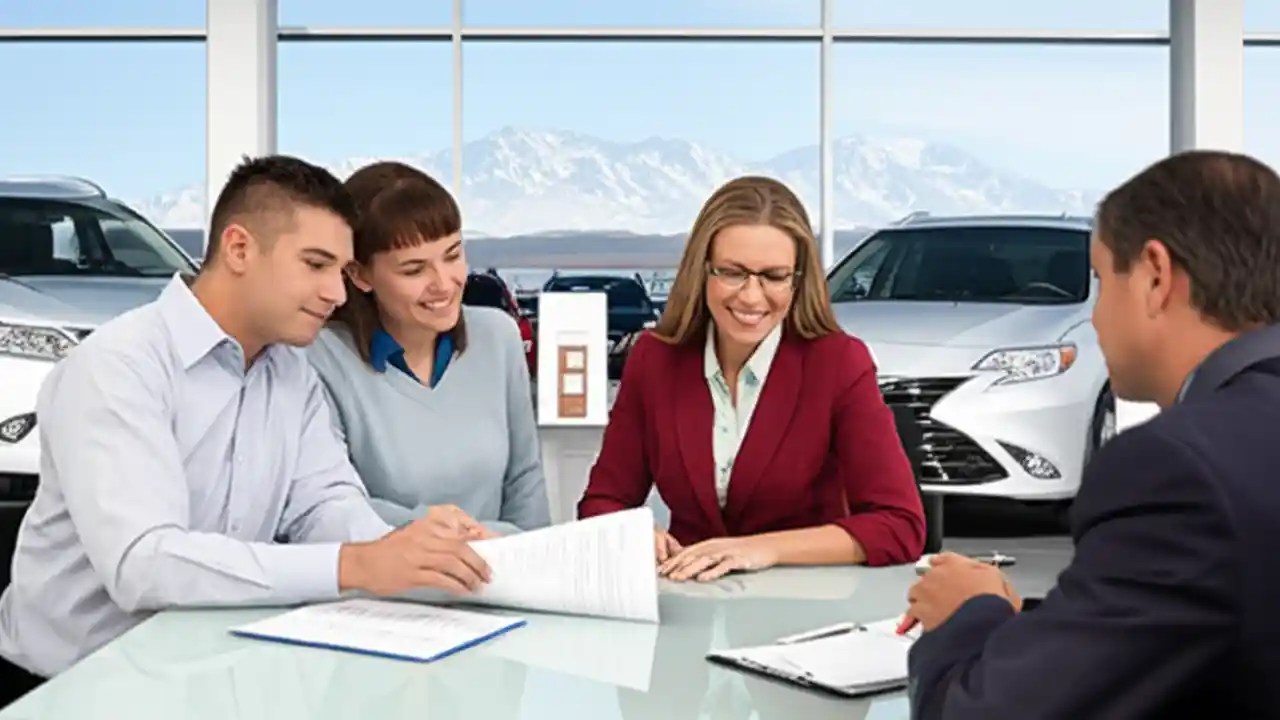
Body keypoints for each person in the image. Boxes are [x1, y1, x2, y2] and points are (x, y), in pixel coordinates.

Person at [0, 156, 491, 703]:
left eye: (342, 270)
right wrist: (358, 564)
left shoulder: (291, 373)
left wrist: (411, 552)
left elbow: (322, 504)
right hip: (74, 688)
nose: (337, 293)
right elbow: (143, 565)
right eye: (316, 264)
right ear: (239, 249)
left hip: (213, 678)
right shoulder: (117, 366)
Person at [903, 150, 1280, 718]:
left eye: (1101, 280)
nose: (1098, 317)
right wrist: (1044, 626)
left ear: (1155, 276)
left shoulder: (1177, 468)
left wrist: (968, 615)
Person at [577, 175, 925, 581]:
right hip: (690, 604)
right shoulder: (655, 360)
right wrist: (632, 534)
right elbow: (601, 503)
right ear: (701, 271)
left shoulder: (839, 363)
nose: (751, 297)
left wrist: (762, 549)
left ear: (798, 280)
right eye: (732, 272)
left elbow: (900, 526)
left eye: (774, 276)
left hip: (803, 616)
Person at [306, 161, 549, 535]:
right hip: (384, 587)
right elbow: (327, 505)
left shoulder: (498, 337)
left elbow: (526, 484)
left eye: (452, 255)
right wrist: (439, 532)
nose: (444, 284)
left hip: (501, 576)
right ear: (360, 275)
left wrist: (520, 555)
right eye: (414, 270)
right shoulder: (318, 359)